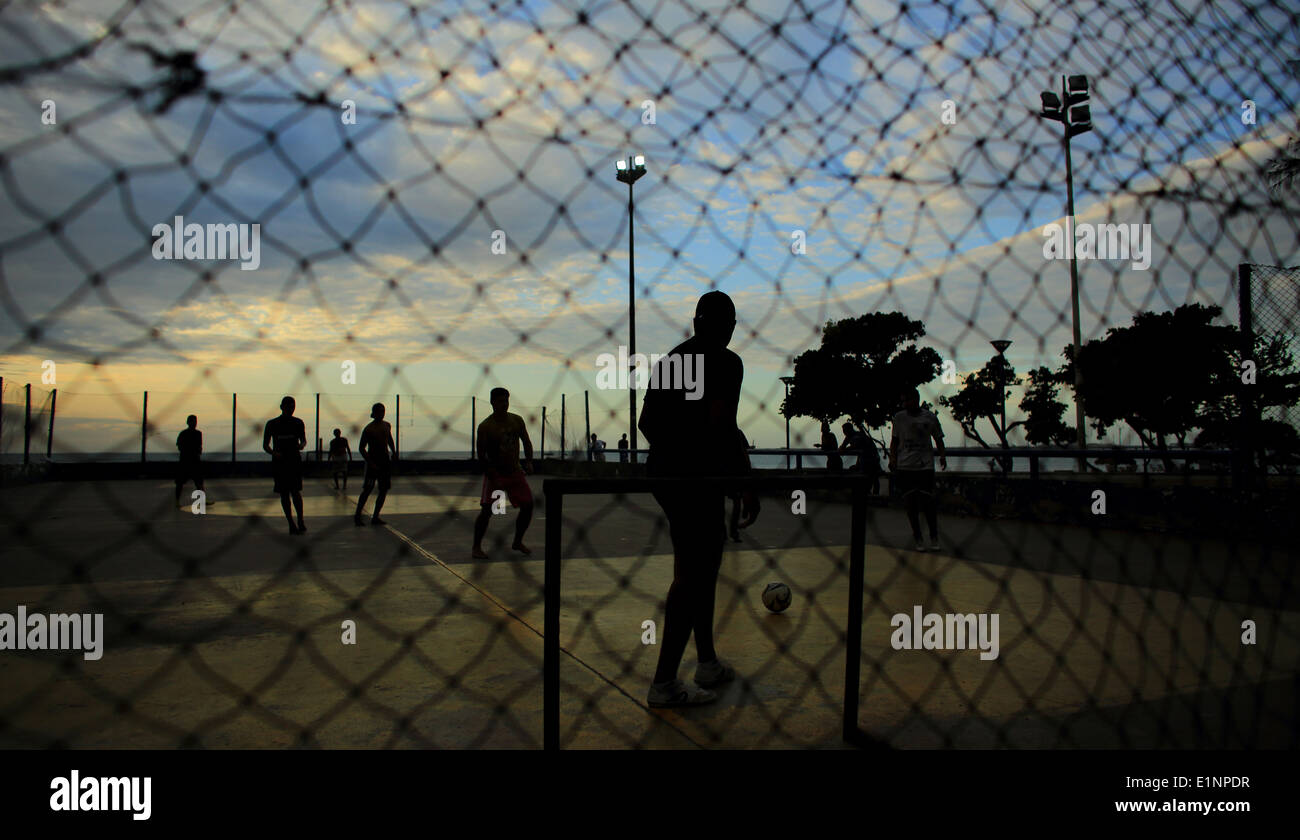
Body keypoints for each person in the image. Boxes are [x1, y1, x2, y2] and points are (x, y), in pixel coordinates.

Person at [639, 290, 759, 709]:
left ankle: (706, 661)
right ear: (709, 324)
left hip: (679, 475)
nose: (724, 332)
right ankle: (664, 683)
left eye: (726, 326)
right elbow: (716, 425)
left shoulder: (686, 361)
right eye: (721, 324)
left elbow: (651, 424)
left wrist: (727, 472)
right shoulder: (717, 362)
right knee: (694, 572)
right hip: (689, 477)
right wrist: (735, 476)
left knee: (703, 565)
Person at [472, 387, 535, 558]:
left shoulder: (516, 420)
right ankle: (476, 547)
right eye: (500, 401)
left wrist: (528, 461)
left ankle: (517, 541)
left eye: (506, 401)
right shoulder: (485, 426)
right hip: (495, 474)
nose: (504, 404)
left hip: (515, 472)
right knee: (488, 511)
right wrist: (492, 476)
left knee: (528, 506)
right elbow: (481, 455)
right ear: (492, 402)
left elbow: (526, 441)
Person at [889, 388, 946, 552]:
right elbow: (894, 441)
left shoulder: (929, 417)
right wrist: (893, 459)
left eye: (908, 400)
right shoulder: (899, 418)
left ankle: (934, 536)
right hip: (905, 466)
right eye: (904, 401)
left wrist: (942, 456)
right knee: (910, 504)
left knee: (928, 503)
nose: (906, 404)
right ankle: (918, 538)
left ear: (916, 399)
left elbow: (938, 438)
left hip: (925, 466)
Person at [263, 396, 307, 535]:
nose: (291, 409)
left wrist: (301, 445)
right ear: (282, 407)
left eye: (292, 406)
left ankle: (300, 520)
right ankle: (291, 523)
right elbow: (266, 445)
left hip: (293, 460)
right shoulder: (272, 424)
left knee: (295, 492)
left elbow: (303, 440)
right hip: (280, 462)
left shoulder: (298, 423)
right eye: (288, 406)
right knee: (284, 494)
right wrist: (274, 453)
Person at [354, 404, 396, 527]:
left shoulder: (387, 425)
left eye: (383, 411)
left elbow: (390, 439)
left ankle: (376, 516)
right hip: (373, 461)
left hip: (384, 461)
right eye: (379, 411)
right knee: (367, 489)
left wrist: (393, 452)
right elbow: (362, 448)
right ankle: (357, 516)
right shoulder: (369, 429)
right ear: (374, 413)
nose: (381, 413)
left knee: (383, 489)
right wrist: (370, 462)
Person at [841, 421, 881, 494]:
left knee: (872, 477)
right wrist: (843, 447)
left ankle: (873, 494)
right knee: (870, 478)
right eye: (843, 431)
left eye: (845, 430)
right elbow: (842, 447)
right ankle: (868, 493)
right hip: (864, 459)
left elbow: (855, 446)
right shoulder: (850, 436)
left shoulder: (857, 436)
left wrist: (845, 449)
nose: (844, 432)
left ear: (849, 430)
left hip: (871, 458)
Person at [175, 415, 205, 505]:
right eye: (193, 421)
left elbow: (199, 446)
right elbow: (179, 446)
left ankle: (201, 501)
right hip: (185, 461)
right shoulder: (184, 433)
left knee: (199, 482)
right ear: (188, 422)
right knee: (180, 483)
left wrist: (198, 451)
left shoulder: (198, 433)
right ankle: (177, 501)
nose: (194, 423)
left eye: (195, 421)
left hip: (194, 460)